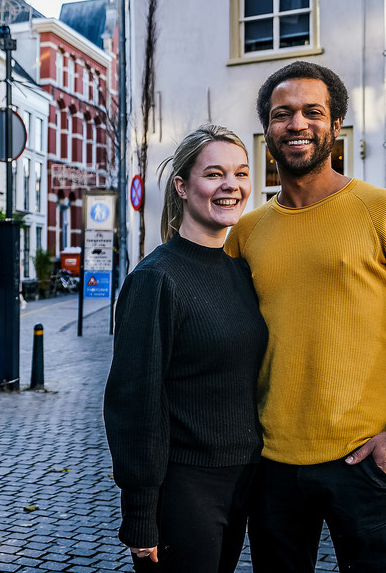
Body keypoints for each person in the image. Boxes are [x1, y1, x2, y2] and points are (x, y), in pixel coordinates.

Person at [225, 61, 386, 573]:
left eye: (313, 112)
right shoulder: (246, 232)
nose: (297, 124)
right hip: (270, 466)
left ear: (336, 127)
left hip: (367, 461)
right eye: (282, 113)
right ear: (267, 129)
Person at [104, 124, 267, 572]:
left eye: (240, 173)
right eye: (214, 174)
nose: (230, 186)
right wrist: (140, 517)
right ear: (182, 185)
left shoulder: (239, 273)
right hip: (185, 488)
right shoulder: (157, 279)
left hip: (242, 482)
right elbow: (135, 403)